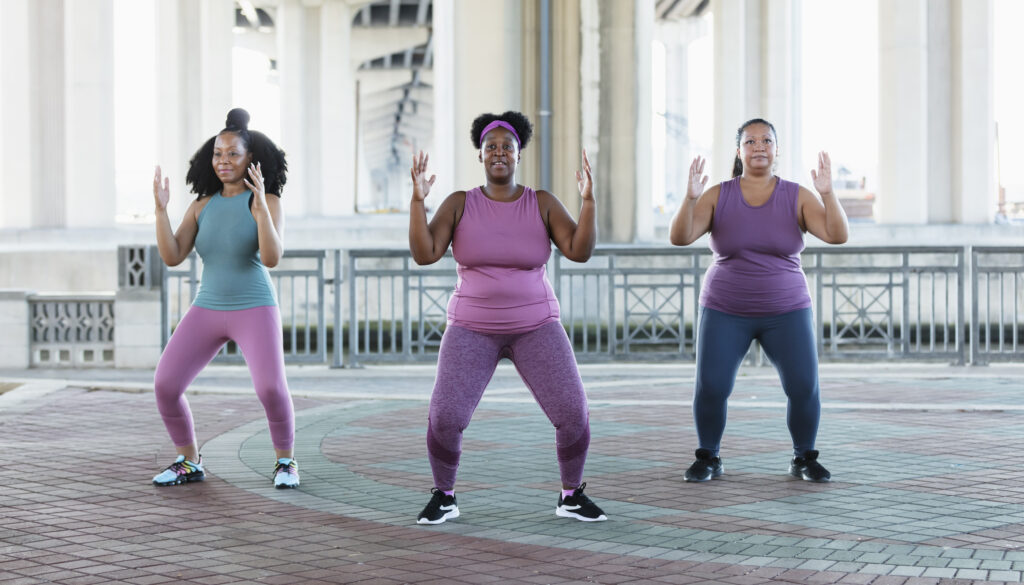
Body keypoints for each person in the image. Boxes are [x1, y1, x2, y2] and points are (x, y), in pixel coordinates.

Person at [408, 111, 607, 524]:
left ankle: (571, 494)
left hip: (536, 326)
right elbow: (425, 254)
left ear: (519, 155)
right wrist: (417, 202)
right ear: (480, 155)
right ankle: (444, 495)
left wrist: (588, 201)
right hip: (471, 327)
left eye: (507, 147)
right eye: (491, 147)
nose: (499, 153)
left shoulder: (543, 203)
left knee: (573, 412)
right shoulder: (460, 203)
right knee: (445, 417)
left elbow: (579, 250)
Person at [669, 118, 849, 483]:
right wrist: (689, 199)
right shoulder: (718, 194)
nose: (759, 147)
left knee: (803, 386)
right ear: (739, 151)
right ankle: (709, 456)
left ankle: (804, 457)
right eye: (750, 142)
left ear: (777, 149)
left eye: (766, 140)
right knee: (712, 386)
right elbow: (681, 236)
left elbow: (836, 235)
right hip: (725, 309)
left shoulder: (797, 195)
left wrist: (828, 193)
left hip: (787, 310)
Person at [150, 108, 299, 489]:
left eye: (233, 153)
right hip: (208, 306)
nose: (223, 161)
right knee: (166, 384)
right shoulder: (201, 205)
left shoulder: (268, 201)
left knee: (270, 388)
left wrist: (262, 208)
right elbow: (171, 255)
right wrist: (161, 210)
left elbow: (271, 258)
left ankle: (285, 462)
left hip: (255, 305)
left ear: (251, 158)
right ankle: (189, 460)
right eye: (218, 153)